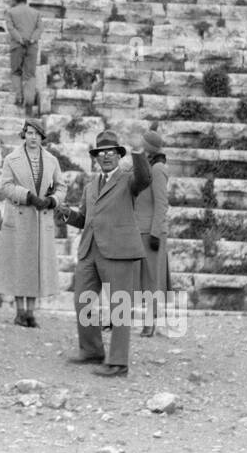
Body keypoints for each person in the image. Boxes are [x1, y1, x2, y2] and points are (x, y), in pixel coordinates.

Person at [59, 130, 152, 376]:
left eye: (111, 152)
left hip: (119, 250)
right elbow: (84, 219)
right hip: (90, 250)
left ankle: (119, 362)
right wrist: (65, 213)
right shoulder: (91, 186)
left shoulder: (129, 179)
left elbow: (145, 179)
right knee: (83, 300)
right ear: (96, 157)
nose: (106, 156)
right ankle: (92, 350)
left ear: (119, 156)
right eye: (102, 153)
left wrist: (139, 153)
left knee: (119, 306)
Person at [0, 119, 65, 328]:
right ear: (24, 134)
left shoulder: (51, 160)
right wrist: (28, 196)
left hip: (41, 218)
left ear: (43, 137)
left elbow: (61, 186)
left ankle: (31, 312)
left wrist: (53, 200)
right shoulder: (11, 159)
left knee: (35, 264)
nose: (33, 137)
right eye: (29, 133)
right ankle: (19, 311)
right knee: (18, 263)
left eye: (37, 134)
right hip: (19, 214)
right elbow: (6, 186)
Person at [134, 129, 170, 337]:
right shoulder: (148, 166)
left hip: (152, 232)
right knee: (146, 279)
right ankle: (148, 322)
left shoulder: (158, 169)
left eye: (143, 141)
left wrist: (156, 232)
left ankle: (151, 323)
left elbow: (161, 203)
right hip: (143, 230)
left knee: (153, 279)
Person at [4, 0, 43, 114]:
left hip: (17, 45)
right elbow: (39, 28)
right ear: (26, 0)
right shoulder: (36, 13)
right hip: (32, 46)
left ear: (16, 0)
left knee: (16, 71)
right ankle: (29, 101)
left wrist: (19, 39)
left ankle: (19, 97)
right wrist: (32, 39)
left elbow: (11, 28)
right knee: (30, 74)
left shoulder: (10, 12)